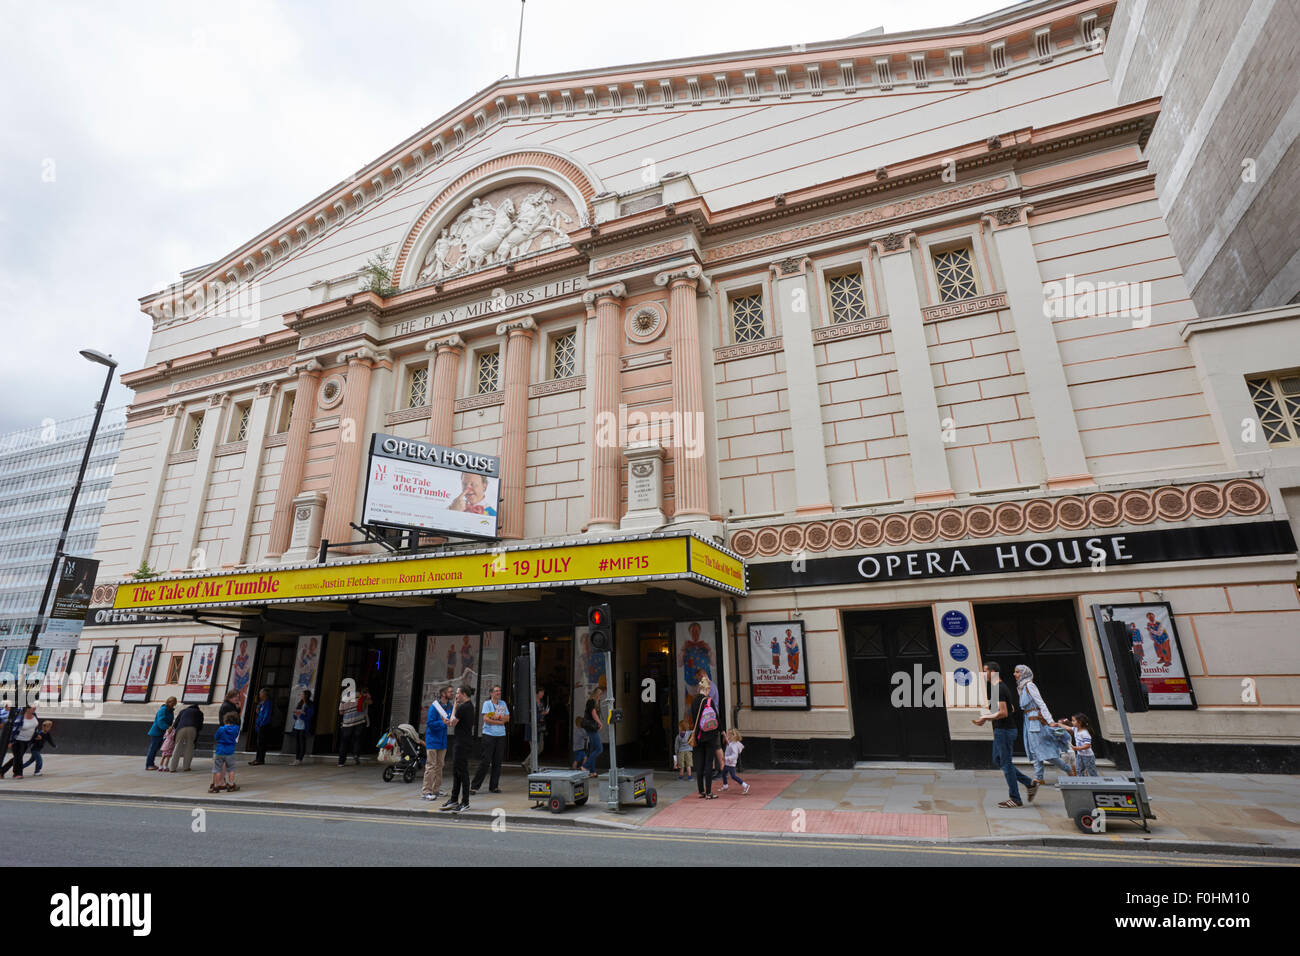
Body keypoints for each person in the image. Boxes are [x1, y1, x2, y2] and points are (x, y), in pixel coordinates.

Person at [972, 661, 1036, 807]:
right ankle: (1029, 783)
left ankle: (1015, 799)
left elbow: (1004, 712)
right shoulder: (997, 688)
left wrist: (985, 718)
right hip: (1002, 730)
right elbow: (1011, 708)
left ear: (993, 672)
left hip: (1005, 731)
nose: (984, 674)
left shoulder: (999, 689)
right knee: (998, 760)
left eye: (985, 671)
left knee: (1006, 764)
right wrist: (988, 715)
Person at [1014, 664, 1073, 784]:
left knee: (1044, 752)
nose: (1015, 674)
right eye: (1015, 672)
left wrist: (1050, 721)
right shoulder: (1021, 687)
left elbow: (1041, 703)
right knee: (1034, 750)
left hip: (1036, 721)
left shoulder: (1029, 685)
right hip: (1028, 721)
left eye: (1017, 672)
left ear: (1024, 673)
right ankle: (1039, 777)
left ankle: (1068, 768)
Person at [441, 686, 475, 812]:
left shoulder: (463, 707)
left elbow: (451, 723)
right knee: (456, 771)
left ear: (463, 694)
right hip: (462, 742)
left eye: (457, 693)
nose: (456, 695)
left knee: (462, 772)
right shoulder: (469, 706)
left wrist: (454, 706)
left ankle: (465, 802)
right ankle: (454, 799)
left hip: (462, 743)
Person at [471, 684, 510, 794]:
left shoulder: (503, 703)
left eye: (499, 691)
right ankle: (474, 786)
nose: (498, 693)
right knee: (485, 761)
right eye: (496, 691)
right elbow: (486, 719)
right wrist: (499, 720)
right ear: (491, 693)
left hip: (501, 735)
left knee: (497, 762)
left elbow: (507, 718)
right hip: (489, 735)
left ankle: (494, 786)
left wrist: (495, 717)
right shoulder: (487, 704)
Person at [690, 676, 723, 798]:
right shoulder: (709, 701)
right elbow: (717, 720)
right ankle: (709, 792)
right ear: (707, 689)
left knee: (700, 763)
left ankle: (701, 791)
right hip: (710, 736)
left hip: (698, 736)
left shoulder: (694, 702)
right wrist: (722, 732)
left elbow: (694, 719)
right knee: (709, 763)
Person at [421, 686, 452, 801]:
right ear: (443, 693)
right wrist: (443, 723)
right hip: (433, 740)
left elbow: (450, 719)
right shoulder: (435, 706)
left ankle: (436, 790)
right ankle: (426, 791)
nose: (451, 693)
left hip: (442, 740)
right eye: (449, 691)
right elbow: (430, 723)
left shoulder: (450, 706)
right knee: (431, 766)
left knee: (440, 766)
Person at [337, 681, 370, 767]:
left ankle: (341, 762)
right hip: (359, 721)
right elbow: (369, 703)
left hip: (347, 723)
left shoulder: (344, 698)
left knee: (344, 742)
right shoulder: (360, 696)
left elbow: (341, 712)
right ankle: (356, 754)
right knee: (357, 739)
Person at [1, 705, 40, 778]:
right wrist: (11, 741)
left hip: (27, 740)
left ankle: (2, 771)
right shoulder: (21, 717)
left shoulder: (34, 715)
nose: (34, 708)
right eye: (32, 707)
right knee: (18, 757)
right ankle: (18, 773)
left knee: (17, 757)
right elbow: (14, 730)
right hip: (18, 740)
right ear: (27, 709)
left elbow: (35, 726)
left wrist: (36, 734)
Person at [210, 712, 241, 793]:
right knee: (231, 769)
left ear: (225, 720)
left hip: (220, 751)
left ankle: (216, 786)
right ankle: (231, 785)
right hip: (230, 751)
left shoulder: (221, 729)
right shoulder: (237, 728)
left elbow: (216, 737)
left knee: (217, 769)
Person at [519, 688, 548, 771]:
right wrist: (541, 714)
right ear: (537, 693)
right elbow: (530, 716)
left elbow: (540, 714)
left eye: (543, 692)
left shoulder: (541, 702)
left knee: (540, 748)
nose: (543, 694)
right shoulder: (531, 703)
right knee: (534, 748)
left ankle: (526, 763)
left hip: (540, 728)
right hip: (532, 728)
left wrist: (544, 714)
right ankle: (532, 766)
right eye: (541, 692)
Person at [170, 702, 204, 772]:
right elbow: (200, 725)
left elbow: (176, 722)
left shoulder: (183, 711)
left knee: (177, 747)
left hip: (181, 728)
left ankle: (172, 768)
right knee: (189, 747)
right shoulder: (199, 713)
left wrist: (175, 729)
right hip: (192, 728)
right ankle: (186, 767)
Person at [145, 697, 176, 770]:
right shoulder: (163, 710)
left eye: (174, 703)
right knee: (153, 749)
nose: (173, 704)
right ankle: (149, 765)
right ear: (168, 702)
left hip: (163, 732)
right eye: (172, 702)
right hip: (157, 732)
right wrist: (168, 728)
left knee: (159, 748)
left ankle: (152, 764)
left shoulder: (170, 710)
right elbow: (160, 721)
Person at [718, 729, 750, 794]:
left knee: (733, 776)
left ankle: (745, 785)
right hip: (728, 763)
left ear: (733, 736)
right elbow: (726, 741)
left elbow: (735, 756)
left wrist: (726, 758)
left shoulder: (734, 745)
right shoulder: (731, 742)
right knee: (723, 773)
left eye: (729, 734)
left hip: (731, 763)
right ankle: (725, 786)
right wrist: (724, 735)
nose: (728, 735)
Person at [581, 686, 604, 777]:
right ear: (597, 694)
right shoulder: (591, 702)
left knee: (593, 750)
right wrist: (600, 723)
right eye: (600, 695)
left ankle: (592, 771)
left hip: (592, 727)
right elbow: (593, 714)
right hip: (590, 727)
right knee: (599, 749)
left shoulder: (594, 702)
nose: (601, 697)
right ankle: (585, 766)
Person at [290, 690, 314, 765]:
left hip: (304, 726)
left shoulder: (310, 704)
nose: (301, 695)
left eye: (303, 694)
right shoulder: (300, 703)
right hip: (297, 725)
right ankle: (297, 758)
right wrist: (296, 714)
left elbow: (309, 716)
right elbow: (295, 715)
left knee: (302, 742)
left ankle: (300, 758)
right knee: (297, 742)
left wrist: (302, 715)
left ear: (306, 695)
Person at [250, 688, 272, 765]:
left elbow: (266, 715)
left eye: (260, 693)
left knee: (262, 743)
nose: (259, 695)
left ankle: (260, 759)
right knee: (259, 743)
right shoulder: (262, 703)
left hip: (264, 725)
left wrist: (262, 724)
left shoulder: (268, 703)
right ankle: (257, 758)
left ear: (264, 694)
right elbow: (260, 714)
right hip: (259, 725)